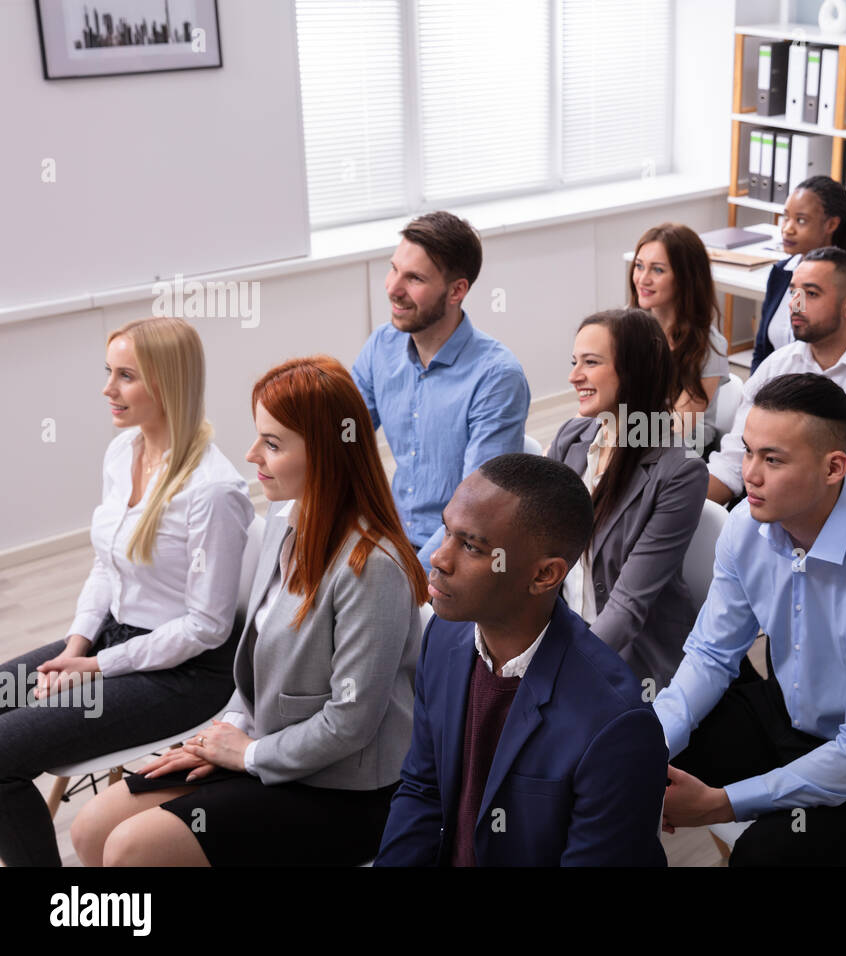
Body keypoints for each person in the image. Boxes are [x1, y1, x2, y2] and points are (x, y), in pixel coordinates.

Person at [71, 356, 427, 867]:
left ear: (327, 454)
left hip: (344, 789)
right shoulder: (284, 518)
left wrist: (247, 755)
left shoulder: (371, 567)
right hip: (264, 745)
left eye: (273, 444)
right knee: (91, 829)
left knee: (132, 848)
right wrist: (222, 735)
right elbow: (258, 669)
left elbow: (350, 725)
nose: (251, 453)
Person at [654, 373, 846, 867]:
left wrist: (720, 803)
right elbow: (711, 653)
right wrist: (652, 743)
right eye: (748, 451)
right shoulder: (745, 528)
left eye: (772, 459)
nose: (749, 474)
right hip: (788, 717)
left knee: (761, 856)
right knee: (630, 767)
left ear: (834, 467)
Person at [0, 317, 252, 868]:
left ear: (168, 385)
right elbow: (106, 565)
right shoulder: (123, 454)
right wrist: (75, 645)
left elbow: (206, 628)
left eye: (125, 376)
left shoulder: (212, 492)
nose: (107, 389)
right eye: (108, 372)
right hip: (113, 641)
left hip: (183, 673)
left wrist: (97, 667)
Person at [375, 454, 668, 867]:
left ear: (544, 575)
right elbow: (423, 791)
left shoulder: (616, 726)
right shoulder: (443, 638)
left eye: (471, 546)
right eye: (446, 532)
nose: (438, 559)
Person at [351, 210, 531, 570]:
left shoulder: (496, 378)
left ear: (457, 290)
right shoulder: (381, 347)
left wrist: (408, 575)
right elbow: (340, 435)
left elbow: (474, 508)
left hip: (460, 555)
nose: (392, 288)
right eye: (394, 269)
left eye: (414, 278)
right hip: (393, 538)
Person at [549, 309, 708, 692]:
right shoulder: (572, 438)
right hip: (562, 633)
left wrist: (560, 671)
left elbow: (626, 608)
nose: (574, 376)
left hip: (629, 662)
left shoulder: (680, 471)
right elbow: (532, 540)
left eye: (591, 362)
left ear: (633, 370)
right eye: (575, 362)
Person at [707, 246, 846, 521]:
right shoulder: (776, 366)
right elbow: (733, 463)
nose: (794, 304)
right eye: (792, 291)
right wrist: (677, 505)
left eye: (811, 294)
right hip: (773, 524)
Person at [750, 175, 846, 372]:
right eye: (786, 217)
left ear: (831, 225)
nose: (788, 229)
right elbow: (761, 353)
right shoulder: (781, 273)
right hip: (772, 394)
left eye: (801, 220)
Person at [629, 223, 731, 452]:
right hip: (630, 440)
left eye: (657, 270)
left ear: (685, 277)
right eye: (639, 266)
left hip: (678, 454)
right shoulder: (627, 328)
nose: (642, 279)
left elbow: (676, 431)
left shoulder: (709, 347)